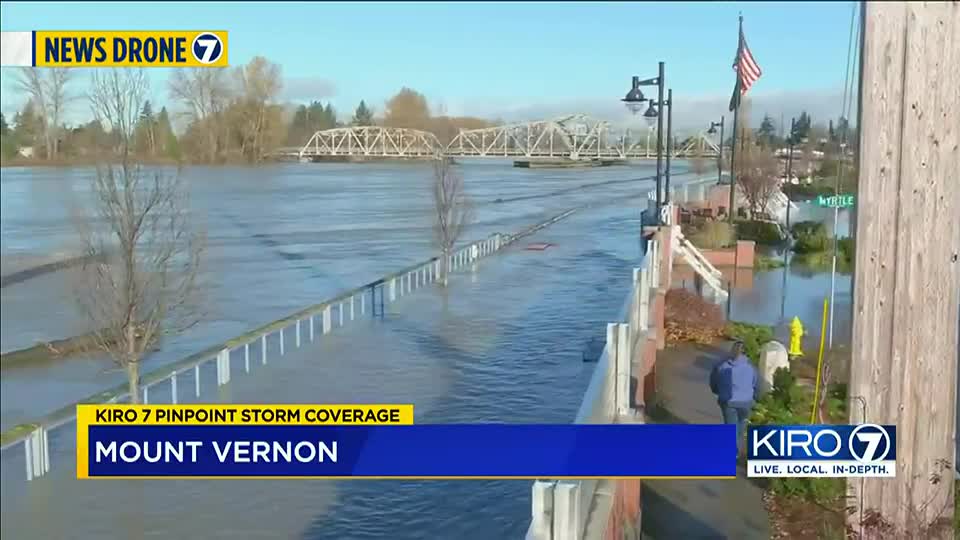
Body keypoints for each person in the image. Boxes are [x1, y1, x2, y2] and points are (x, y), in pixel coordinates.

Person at [709, 340, 760, 459]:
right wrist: (755, 398)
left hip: (728, 402)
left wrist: (719, 392)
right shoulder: (751, 367)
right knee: (741, 425)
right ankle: (736, 448)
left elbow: (714, 383)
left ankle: (732, 451)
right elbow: (756, 384)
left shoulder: (722, 366)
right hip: (746, 402)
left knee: (730, 425)